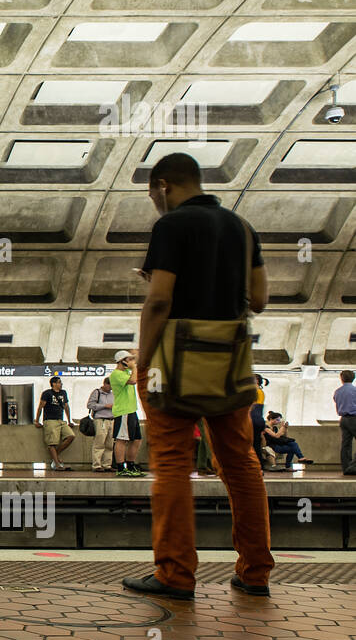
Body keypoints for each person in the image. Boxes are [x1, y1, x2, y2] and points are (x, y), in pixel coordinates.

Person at [123, 151, 272, 601]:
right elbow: (260, 299)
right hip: (230, 366)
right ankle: (255, 572)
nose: (155, 203)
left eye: (153, 194)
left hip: (174, 366)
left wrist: (142, 362)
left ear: (163, 185)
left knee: (171, 463)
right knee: (241, 464)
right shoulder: (241, 227)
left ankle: (175, 573)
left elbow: (161, 302)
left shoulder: (170, 227)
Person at [109, 351, 144, 477]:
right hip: (123, 411)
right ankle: (120, 467)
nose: (131, 362)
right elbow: (133, 381)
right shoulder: (116, 374)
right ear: (122, 361)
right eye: (129, 359)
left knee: (137, 439)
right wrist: (134, 367)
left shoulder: (126, 373)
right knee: (122, 439)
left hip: (131, 410)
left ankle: (130, 465)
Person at [35, 376, 75, 471]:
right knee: (52, 442)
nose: (61, 384)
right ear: (54, 384)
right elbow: (41, 406)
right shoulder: (47, 393)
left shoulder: (63, 393)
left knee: (71, 436)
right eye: (59, 382)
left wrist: (69, 421)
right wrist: (37, 420)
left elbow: (66, 406)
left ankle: (56, 455)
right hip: (50, 420)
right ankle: (57, 464)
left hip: (61, 420)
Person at [85, 376, 115, 473]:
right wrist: (105, 406)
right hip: (101, 420)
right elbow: (90, 405)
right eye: (110, 385)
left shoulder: (112, 394)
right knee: (99, 443)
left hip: (111, 419)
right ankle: (97, 465)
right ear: (105, 384)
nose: (111, 388)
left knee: (109, 444)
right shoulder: (97, 392)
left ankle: (107, 464)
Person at [336, 370, 356, 476]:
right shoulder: (354, 390)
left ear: (342, 378)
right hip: (354, 418)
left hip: (343, 419)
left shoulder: (338, 391)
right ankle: (354, 466)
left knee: (346, 444)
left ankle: (347, 468)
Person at [249, 374, 268, 468]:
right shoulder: (259, 392)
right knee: (255, 443)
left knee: (253, 443)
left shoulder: (257, 392)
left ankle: (256, 464)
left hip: (254, 420)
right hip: (257, 420)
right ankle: (258, 463)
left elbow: (252, 405)